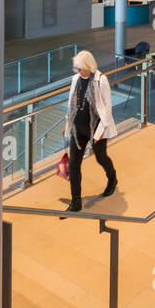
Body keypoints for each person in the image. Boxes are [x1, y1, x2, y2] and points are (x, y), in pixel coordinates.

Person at [61, 50, 117, 212]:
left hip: (96, 129)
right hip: (78, 129)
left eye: (80, 68)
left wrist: (99, 134)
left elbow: (107, 109)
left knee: (101, 158)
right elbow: (72, 102)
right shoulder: (75, 79)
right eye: (76, 68)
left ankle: (112, 179)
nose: (78, 71)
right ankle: (76, 202)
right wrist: (68, 123)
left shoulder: (101, 80)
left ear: (88, 66)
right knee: (73, 165)